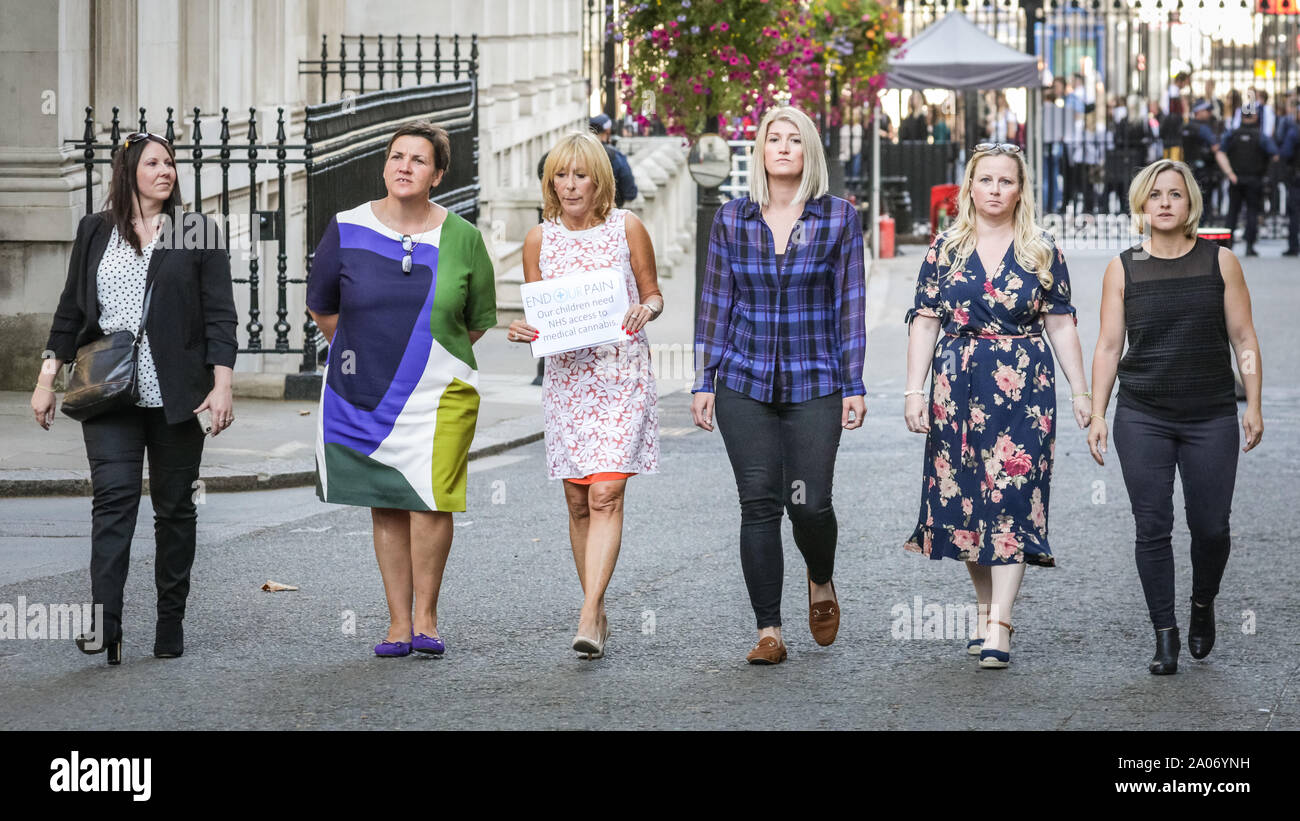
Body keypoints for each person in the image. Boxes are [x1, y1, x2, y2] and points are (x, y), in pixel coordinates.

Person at [34, 132, 237, 664]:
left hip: (178, 398)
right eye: (153, 162)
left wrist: (222, 384)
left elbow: (220, 314)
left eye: (170, 162)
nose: (165, 170)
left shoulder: (196, 231)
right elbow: (70, 311)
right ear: (129, 171)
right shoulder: (95, 231)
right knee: (112, 506)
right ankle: (106, 625)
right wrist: (46, 376)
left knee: (174, 512)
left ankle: (170, 622)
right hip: (109, 396)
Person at [306, 122, 497, 658]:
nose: (404, 166)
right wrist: (363, 353)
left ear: (437, 174)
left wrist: (427, 350)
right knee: (385, 500)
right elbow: (322, 305)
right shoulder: (346, 227)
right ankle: (395, 622)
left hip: (441, 391)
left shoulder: (464, 237)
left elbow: (477, 319)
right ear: (385, 166)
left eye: (418, 159)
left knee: (432, 498)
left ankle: (426, 618)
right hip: (362, 387)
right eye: (396, 157)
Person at [902, 142, 1089, 670]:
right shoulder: (945, 248)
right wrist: (914, 391)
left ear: (1020, 189)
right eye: (986, 180)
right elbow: (925, 320)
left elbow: (1060, 323)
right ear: (970, 187)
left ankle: (1000, 625)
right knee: (966, 503)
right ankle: (987, 613)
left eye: (1006, 181)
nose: (995, 190)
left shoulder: (1041, 249)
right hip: (956, 383)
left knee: (1012, 496)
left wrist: (1082, 392)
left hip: (1024, 389)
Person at [691, 106, 866, 666]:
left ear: (808, 151)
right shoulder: (731, 219)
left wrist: (854, 382)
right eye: (774, 139)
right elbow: (716, 303)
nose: (784, 147)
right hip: (744, 380)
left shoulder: (839, 217)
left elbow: (851, 306)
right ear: (760, 151)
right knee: (759, 504)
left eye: (795, 139)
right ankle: (769, 629)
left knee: (809, 504)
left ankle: (820, 575)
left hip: (816, 379)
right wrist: (704, 378)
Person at [1087, 159, 1263, 675]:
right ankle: (1164, 633)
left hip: (1210, 415)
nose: (1165, 202)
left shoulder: (1220, 263)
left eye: (1176, 194)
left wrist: (1252, 402)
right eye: (1156, 193)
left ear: (1191, 205)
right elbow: (1107, 345)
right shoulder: (1122, 267)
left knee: (1211, 528)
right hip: (1142, 415)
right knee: (1152, 526)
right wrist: (1098, 412)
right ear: (1142, 203)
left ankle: (1202, 604)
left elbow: (1244, 339)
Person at [507, 131, 661, 660]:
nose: (569, 185)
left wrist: (648, 310)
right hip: (569, 380)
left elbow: (653, 291)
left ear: (600, 180)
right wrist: (522, 331)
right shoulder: (538, 240)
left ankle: (590, 610)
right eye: (560, 175)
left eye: (580, 174)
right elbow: (536, 314)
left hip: (621, 375)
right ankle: (595, 602)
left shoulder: (627, 228)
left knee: (605, 494)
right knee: (577, 499)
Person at [1216, 102, 1281, 256]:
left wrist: (1230, 173)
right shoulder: (1260, 136)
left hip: (1236, 179)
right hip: (1254, 179)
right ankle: (1250, 246)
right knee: (1252, 212)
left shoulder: (1232, 134)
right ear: (1256, 116)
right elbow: (1275, 155)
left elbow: (1220, 153)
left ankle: (1226, 247)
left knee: (1232, 212)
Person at [589, 114, 638, 206]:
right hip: (610, 210)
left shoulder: (582, 152)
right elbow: (630, 192)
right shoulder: (615, 155)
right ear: (608, 130)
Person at [1277, 99, 1300, 256]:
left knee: (1295, 211)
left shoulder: (1294, 131)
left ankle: (1294, 246)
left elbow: (1285, 153)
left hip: (1296, 175)